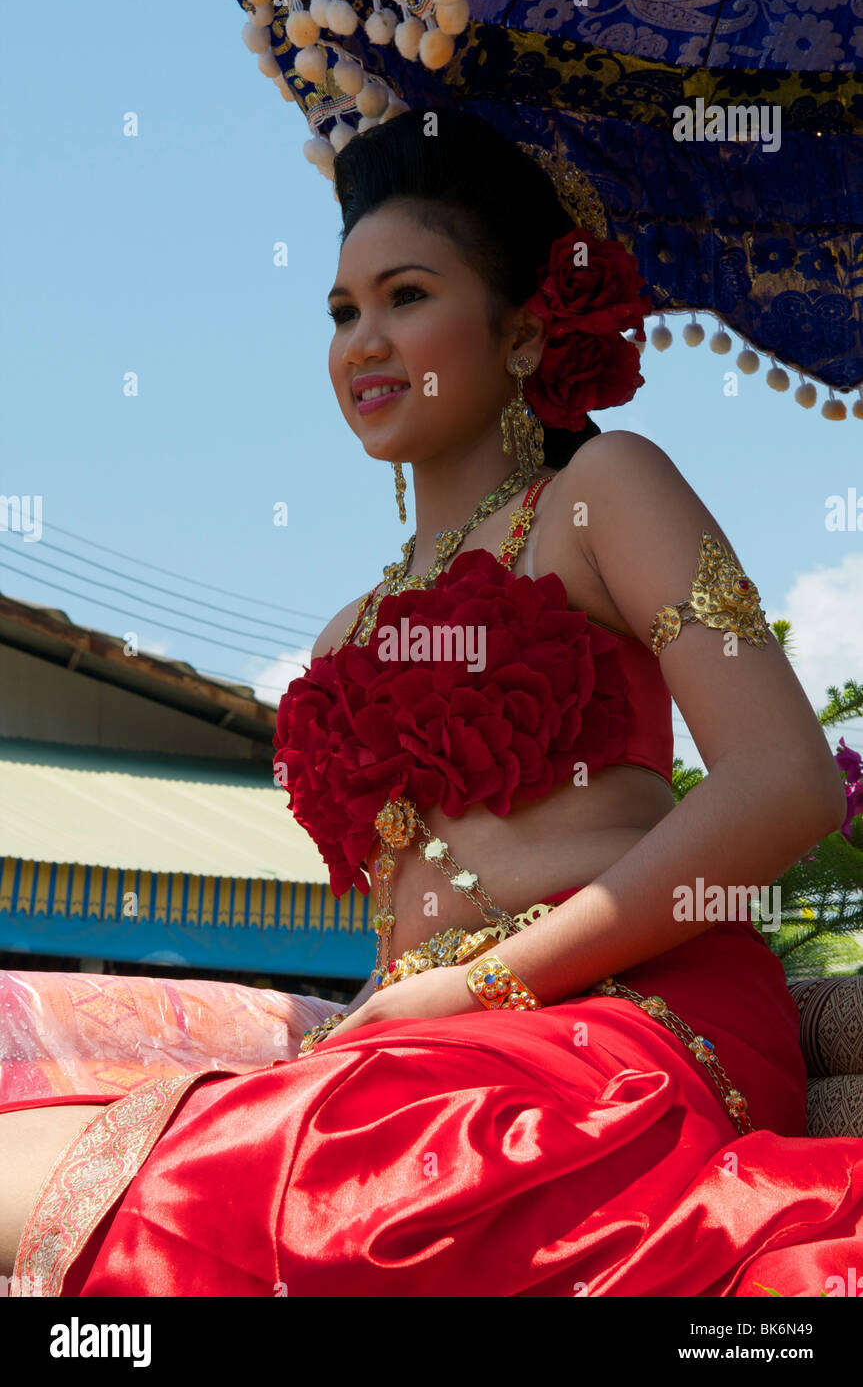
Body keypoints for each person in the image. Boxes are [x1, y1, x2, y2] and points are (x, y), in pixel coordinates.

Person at [2, 108, 862, 1299]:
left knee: (203, 1184)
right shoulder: (343, 631)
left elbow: (786, 784)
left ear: (519, 334)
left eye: (406, 294)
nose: (363, 340)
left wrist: (466, 987)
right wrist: (382, 1013)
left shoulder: (598, 497)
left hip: (620, 1025)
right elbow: (404, 935)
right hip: (422, 1043)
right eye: (342, 310)